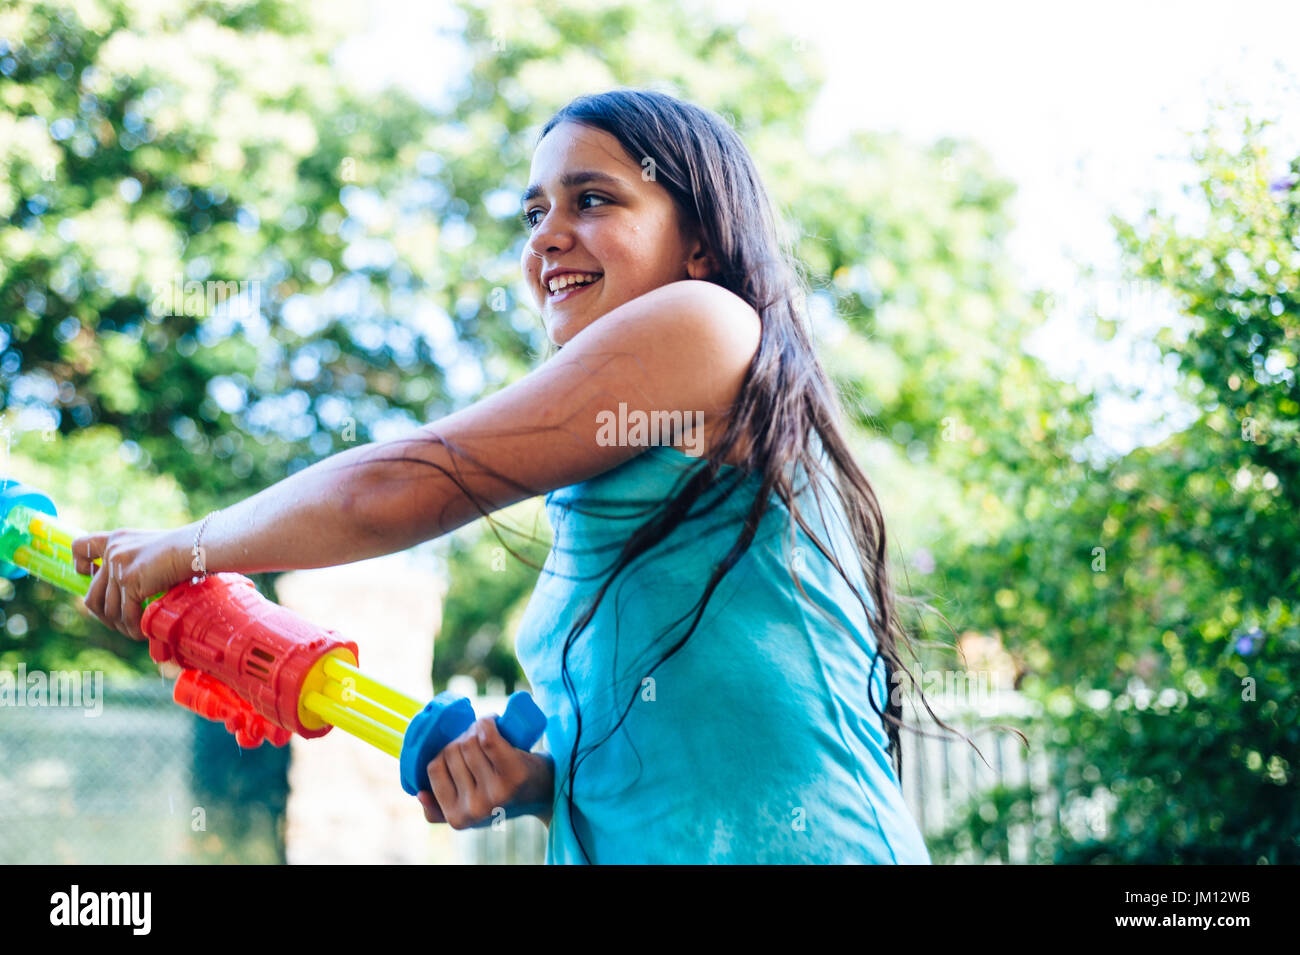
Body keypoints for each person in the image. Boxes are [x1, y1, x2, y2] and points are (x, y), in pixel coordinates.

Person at [75, 87, 943, 864]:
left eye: (593, 200)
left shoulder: (708, 324)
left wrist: (189, 546)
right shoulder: (606, 489)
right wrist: (535, 779)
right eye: (533, 213)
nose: (548, 236)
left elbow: (401, 488)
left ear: (702, 248)